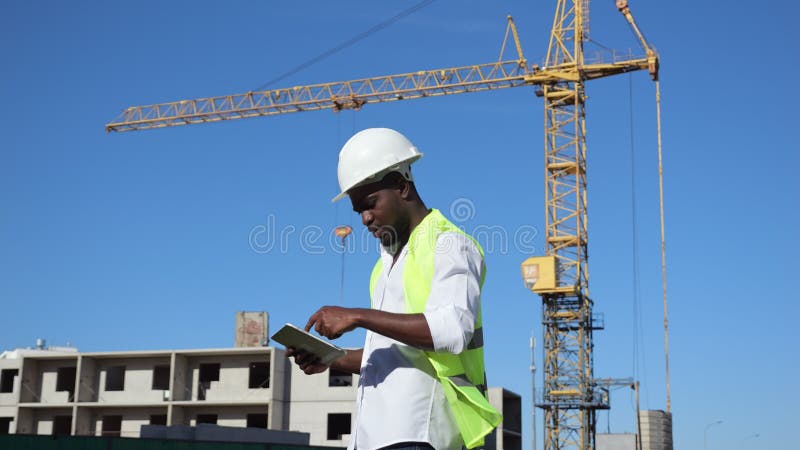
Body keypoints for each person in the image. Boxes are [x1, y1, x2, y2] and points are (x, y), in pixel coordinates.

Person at [287, 128, 501, 450]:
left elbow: (453, 330)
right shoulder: (384, 265)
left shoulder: (449, 244)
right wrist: (331, 359)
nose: (365, 218)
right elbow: (393, 356)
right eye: (359, 210)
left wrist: (358, 316)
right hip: (374, 437)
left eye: (370, 203)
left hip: (417, 433)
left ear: (402, 186)